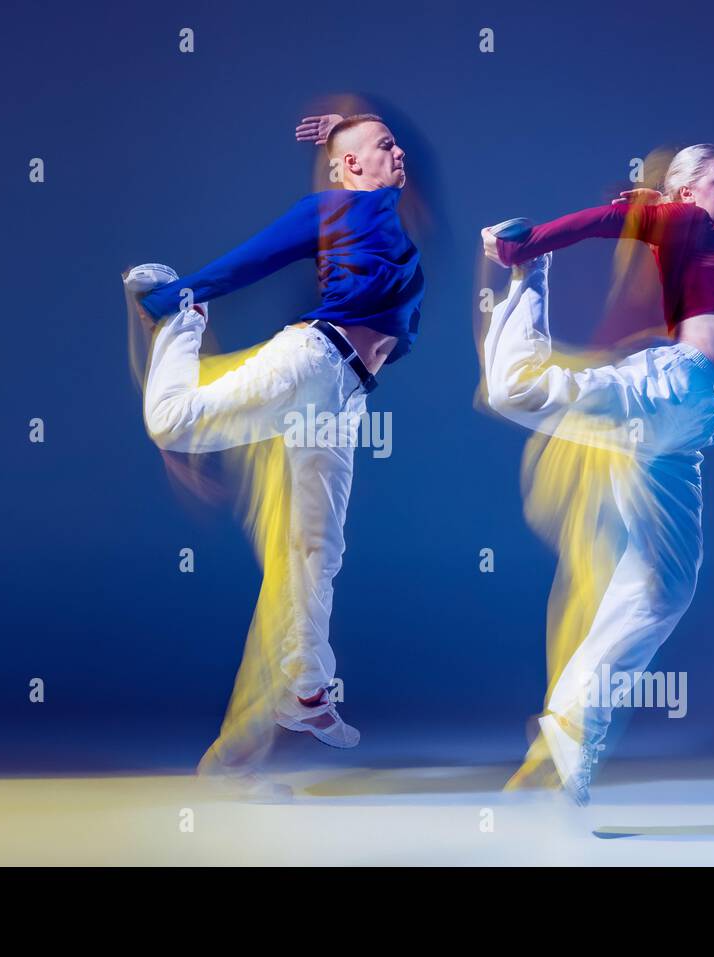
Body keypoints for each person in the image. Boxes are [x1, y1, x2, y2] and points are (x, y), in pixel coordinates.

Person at [124, 114, 423, 795]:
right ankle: (181, 324)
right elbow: (250, 259)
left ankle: (306, 692)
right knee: (174, 422)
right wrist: (176, 297)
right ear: (349, 167)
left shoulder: (389, 226)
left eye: (395, 143)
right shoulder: (334, 208)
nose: (398, 151)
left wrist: (343, 126)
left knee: (319, 547)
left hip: (345, 396)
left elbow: (395, 322)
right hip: (312, 362)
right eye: (383, 147)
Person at [479, 145, 714, 804]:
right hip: (672, 389)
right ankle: (527, 287)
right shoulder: (682, 218)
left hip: (685, 432)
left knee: (665, 586)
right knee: (515, 390)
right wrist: (531, 247)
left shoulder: (703, 235)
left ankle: (572, 727)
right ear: (685, 188)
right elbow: (607, 220)